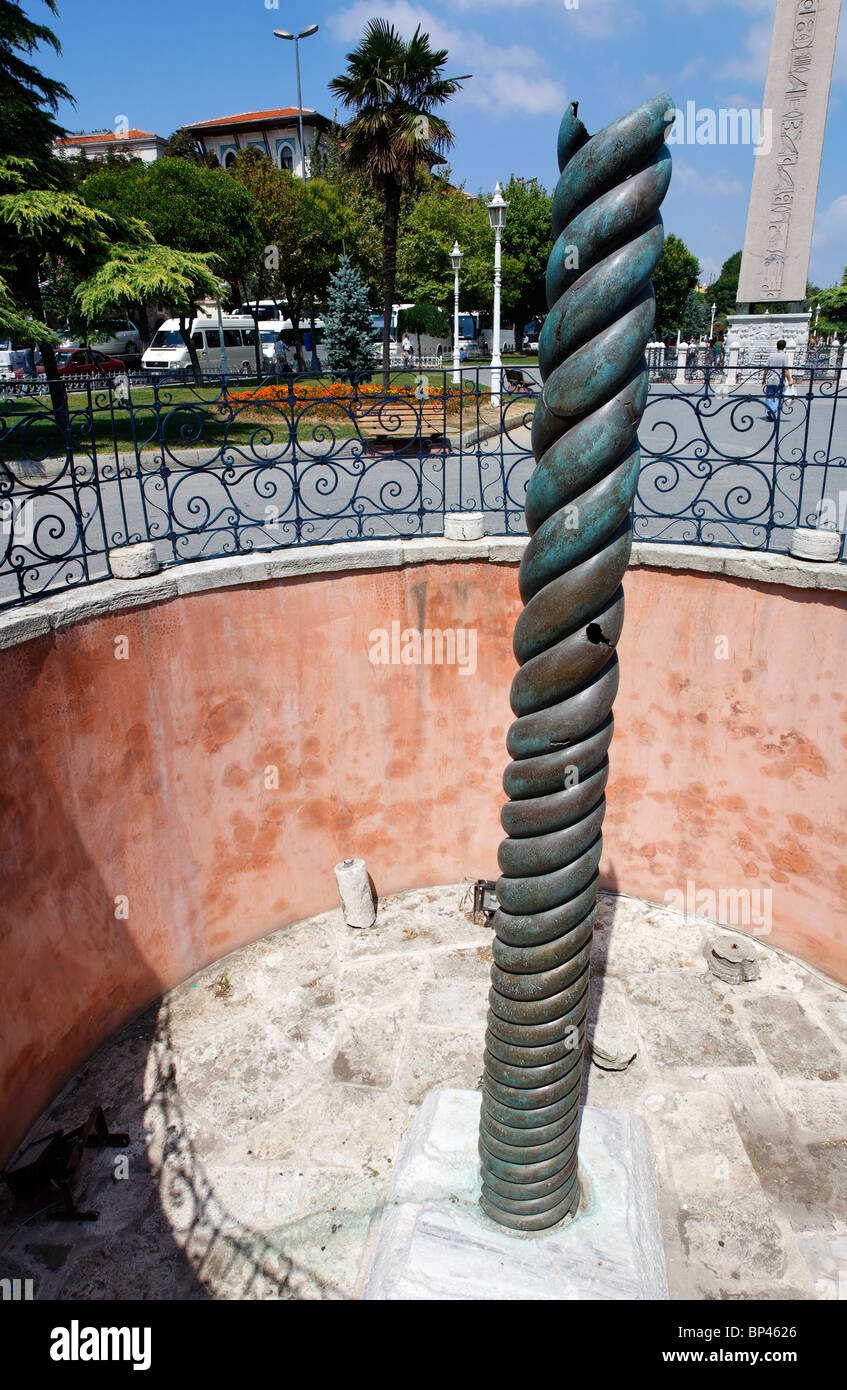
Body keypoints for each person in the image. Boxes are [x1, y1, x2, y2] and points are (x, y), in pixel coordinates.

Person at [762, 338, 794, 421]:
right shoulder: (784, 356)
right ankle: (772, 410)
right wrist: (789, 380)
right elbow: (786, 370)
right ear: (784, 347)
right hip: (779, 380)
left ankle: (768, 411)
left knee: (769, 397)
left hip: (770, 379)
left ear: (777, 346)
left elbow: (766, 369)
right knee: (781, 397)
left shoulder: (772, 356)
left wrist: (764, 378)